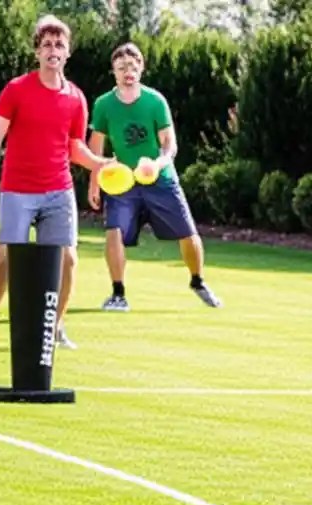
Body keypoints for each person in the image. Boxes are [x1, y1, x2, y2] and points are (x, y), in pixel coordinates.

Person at [0, 14, 111, 352]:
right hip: (18, 188)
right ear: (37, 52)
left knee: (68, 259)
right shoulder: (17, 89)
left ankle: (54, 326)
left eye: (59, 44)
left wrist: (100, 164)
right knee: (6, 255)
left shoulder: (76, 98)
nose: (53, 50)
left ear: (68, 52)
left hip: (58, 190)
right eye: (46, 44)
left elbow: (75, 148)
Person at [87, 42, 223, 311]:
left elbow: (169, 145)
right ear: (113, 71)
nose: (128, 71)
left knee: (188, 232)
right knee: (113, 232)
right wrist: (95, 180)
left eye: (133, 66)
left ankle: (197, 281)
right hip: (121, 180)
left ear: (141, 68)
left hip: (160, 179)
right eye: (122, 67)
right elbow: (96, 145)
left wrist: (157, 164)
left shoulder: (155, 101)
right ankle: (118, 293)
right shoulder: (103, 104)